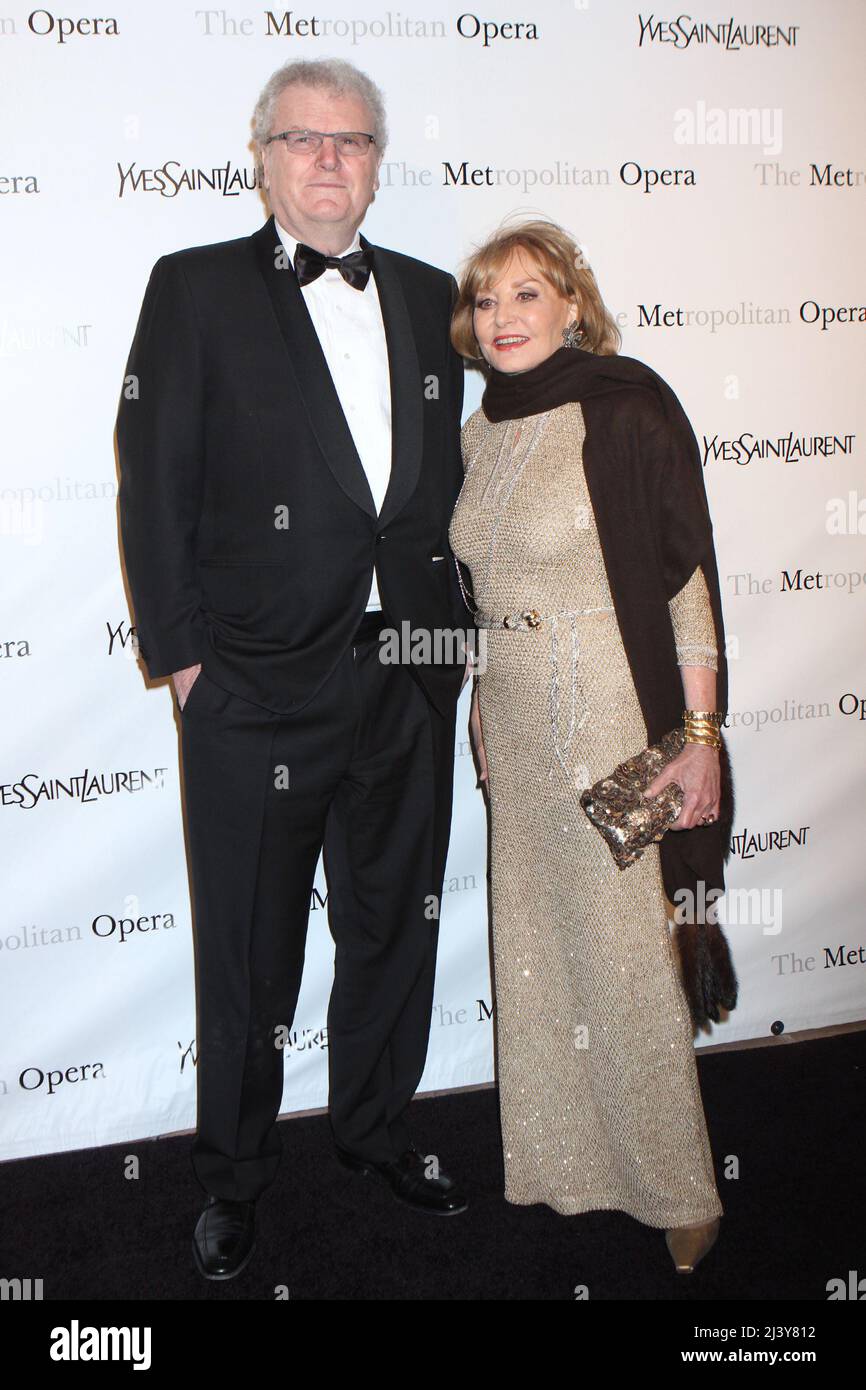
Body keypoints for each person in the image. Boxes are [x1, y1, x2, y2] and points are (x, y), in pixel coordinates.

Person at [117, 57, 470, 1282]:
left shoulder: (432, 299)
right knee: (249, 953)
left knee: (391, 930)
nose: (329, 159)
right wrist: (186, 665)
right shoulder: (198, 289)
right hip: (255, 687)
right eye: (303, 139)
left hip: (407, 675)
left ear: (379, 162)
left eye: (353, 140)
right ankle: (234, 1175)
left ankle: (375, 1133)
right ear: (260, 155)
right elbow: (152, 480)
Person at [448, 218, 736, 1275]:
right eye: (485, 300)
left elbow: (682, 580)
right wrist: (479, 701)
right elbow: (481, 590)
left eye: (527, 294)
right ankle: (567, 1162)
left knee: (623, 963)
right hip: (514, 721)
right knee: (533, 951)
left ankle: (675, 1187)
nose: (504, 317)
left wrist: (696, 736)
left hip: (611, 718)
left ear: (573, 304)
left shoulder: (625, 407)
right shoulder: (482, 428)